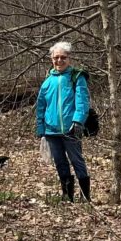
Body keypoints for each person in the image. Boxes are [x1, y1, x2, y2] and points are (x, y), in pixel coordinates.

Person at [35, 41, 91, 202]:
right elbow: (40, 107)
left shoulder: (77, 77)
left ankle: (85, 196)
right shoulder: (47, 82)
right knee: (60, 163)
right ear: (51, 59)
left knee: (77, 160)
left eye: (63, 57)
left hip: (71, 128)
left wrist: (78, 121)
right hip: (51, 131)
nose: (59, 61)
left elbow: (82, 102)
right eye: (56, 57)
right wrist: (41, 129)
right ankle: (67, 195)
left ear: (69, 58)